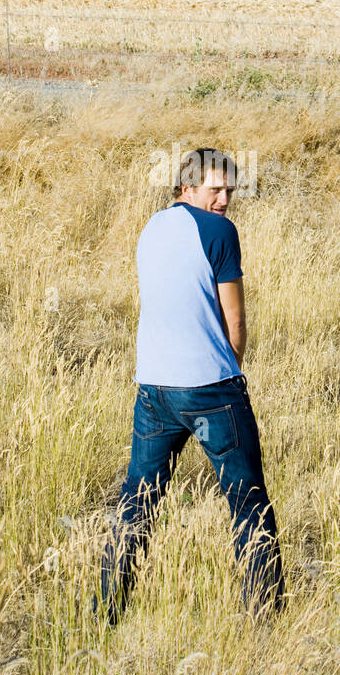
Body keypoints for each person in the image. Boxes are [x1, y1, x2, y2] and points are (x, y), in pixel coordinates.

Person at [93, 147, 286, 625]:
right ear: (187, 187)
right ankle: (266, 614)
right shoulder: (220, 232)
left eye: (230, 191)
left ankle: (106, 608)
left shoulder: (151, 228)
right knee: (247, 500)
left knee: (138, 498)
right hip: (209, 386)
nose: (224, 199)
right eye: (215, 189)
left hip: (154, 386)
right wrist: (229, 371)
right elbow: (234, 320)